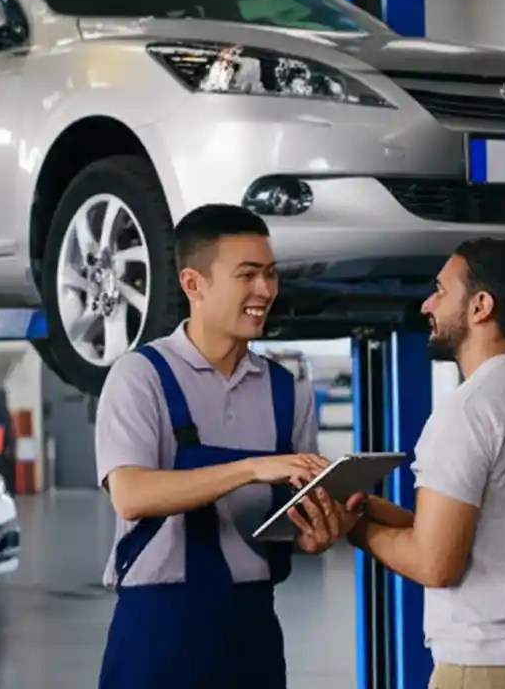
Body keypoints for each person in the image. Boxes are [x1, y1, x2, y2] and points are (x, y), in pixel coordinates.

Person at [93, 203, 354, 689]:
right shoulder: (141, 376)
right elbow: (130, 495)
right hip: (159, 630)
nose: (265, 290)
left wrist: (312, 537)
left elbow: (290, 518)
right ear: (194, 284)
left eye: (270, 274)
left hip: (252, 627)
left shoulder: (285, 389)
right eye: (247, 275)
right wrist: (250, 468)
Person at [345, 238, 505, 689]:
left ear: (480, 306)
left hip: (489, 668)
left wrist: (355, 529)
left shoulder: (469, 412)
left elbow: (435, 564)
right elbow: (495, 536)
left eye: (440, 290)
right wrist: (390, 519)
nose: (427, 304)